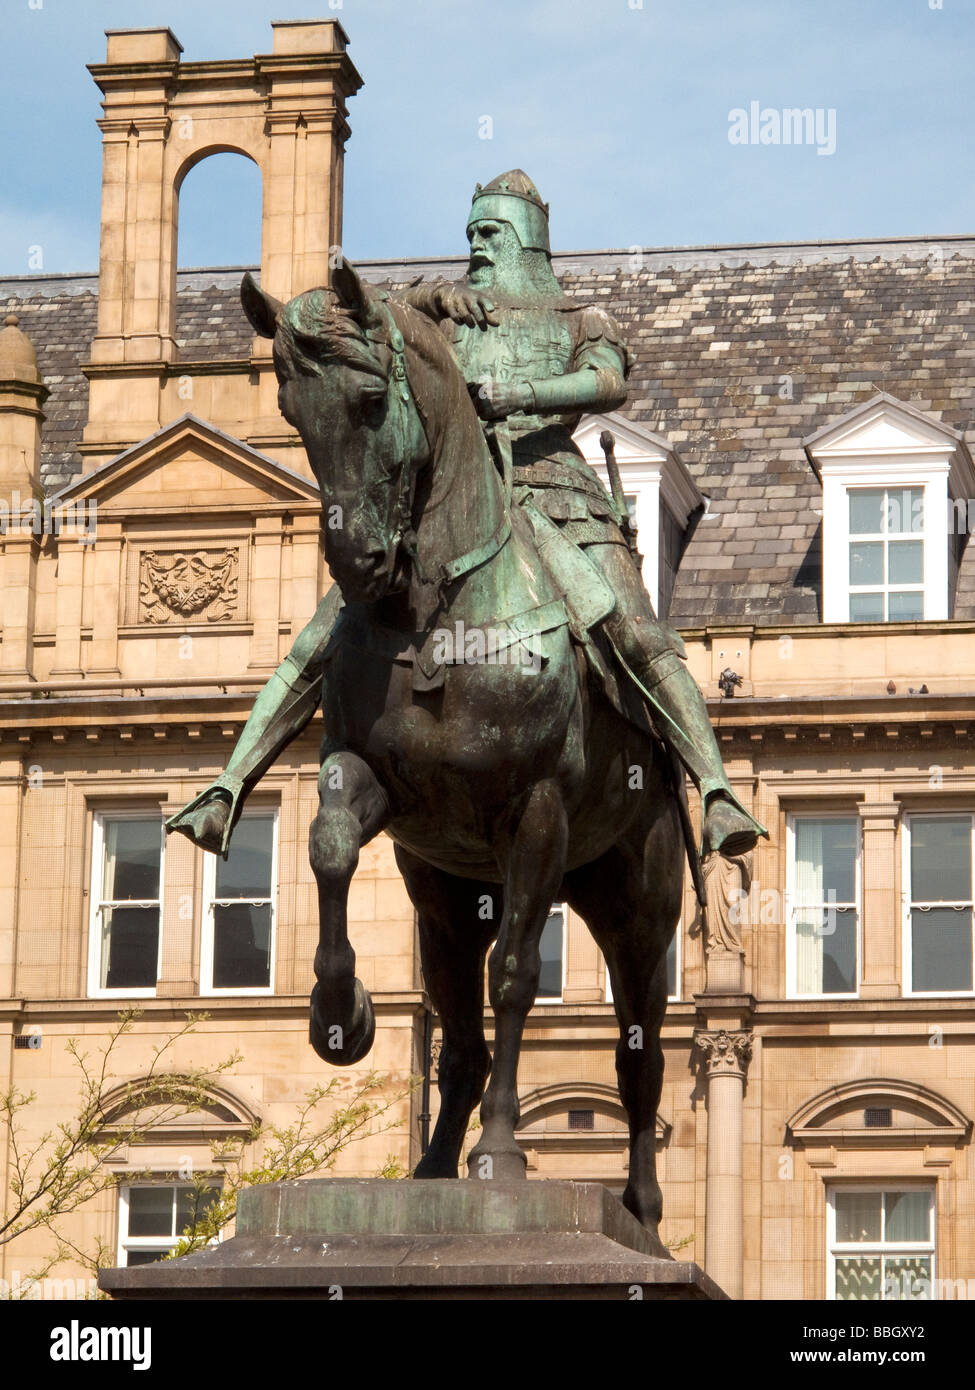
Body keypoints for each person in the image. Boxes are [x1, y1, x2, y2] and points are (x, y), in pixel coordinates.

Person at [168, 170, 766, 860]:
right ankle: (229, 787)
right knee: (325, 631)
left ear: (527, 241)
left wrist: (519, 392)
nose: (475, 243)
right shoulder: (443, 314)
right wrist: (430, 294)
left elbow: (608, 383)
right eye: (469, 232)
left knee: (633, 631)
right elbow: (366, 314)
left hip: (553, 493)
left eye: (489, 231)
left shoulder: (579, 320)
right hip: (450, 505)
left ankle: (717, 791)